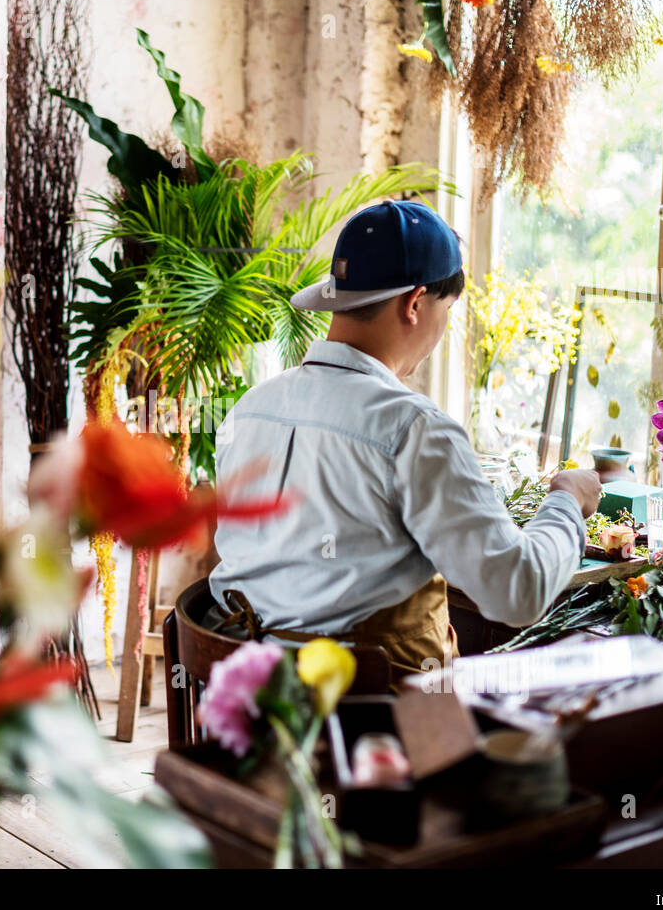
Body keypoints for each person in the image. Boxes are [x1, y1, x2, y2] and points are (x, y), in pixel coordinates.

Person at [208, 200, 601, 677]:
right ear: (415, 304)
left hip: (248, 704)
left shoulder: (249, 408)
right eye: (448, 310)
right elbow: (517, 592)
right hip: (366, 730)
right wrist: (566, 500)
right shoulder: (413, 427)